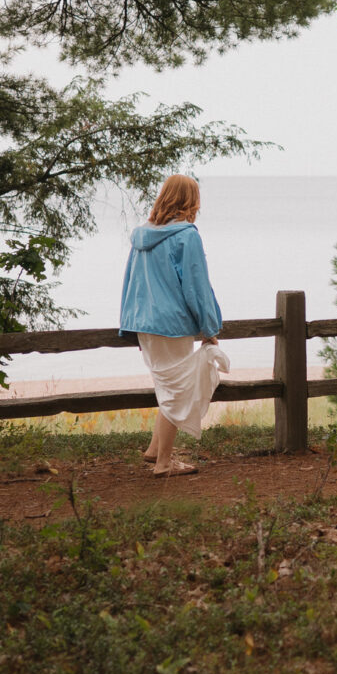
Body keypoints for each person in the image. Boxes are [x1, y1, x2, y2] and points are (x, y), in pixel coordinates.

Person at [118, 174, 227, 476]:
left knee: (166, 385)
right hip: (172, 324)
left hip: (145, 324)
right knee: (177, 391)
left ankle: (155, 450)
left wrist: (130, 323)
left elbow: (132, 283)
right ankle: (165, 463)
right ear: (190, 201)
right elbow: (196, 286)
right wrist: (210, 328)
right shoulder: (187, 236)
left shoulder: (142, 235)